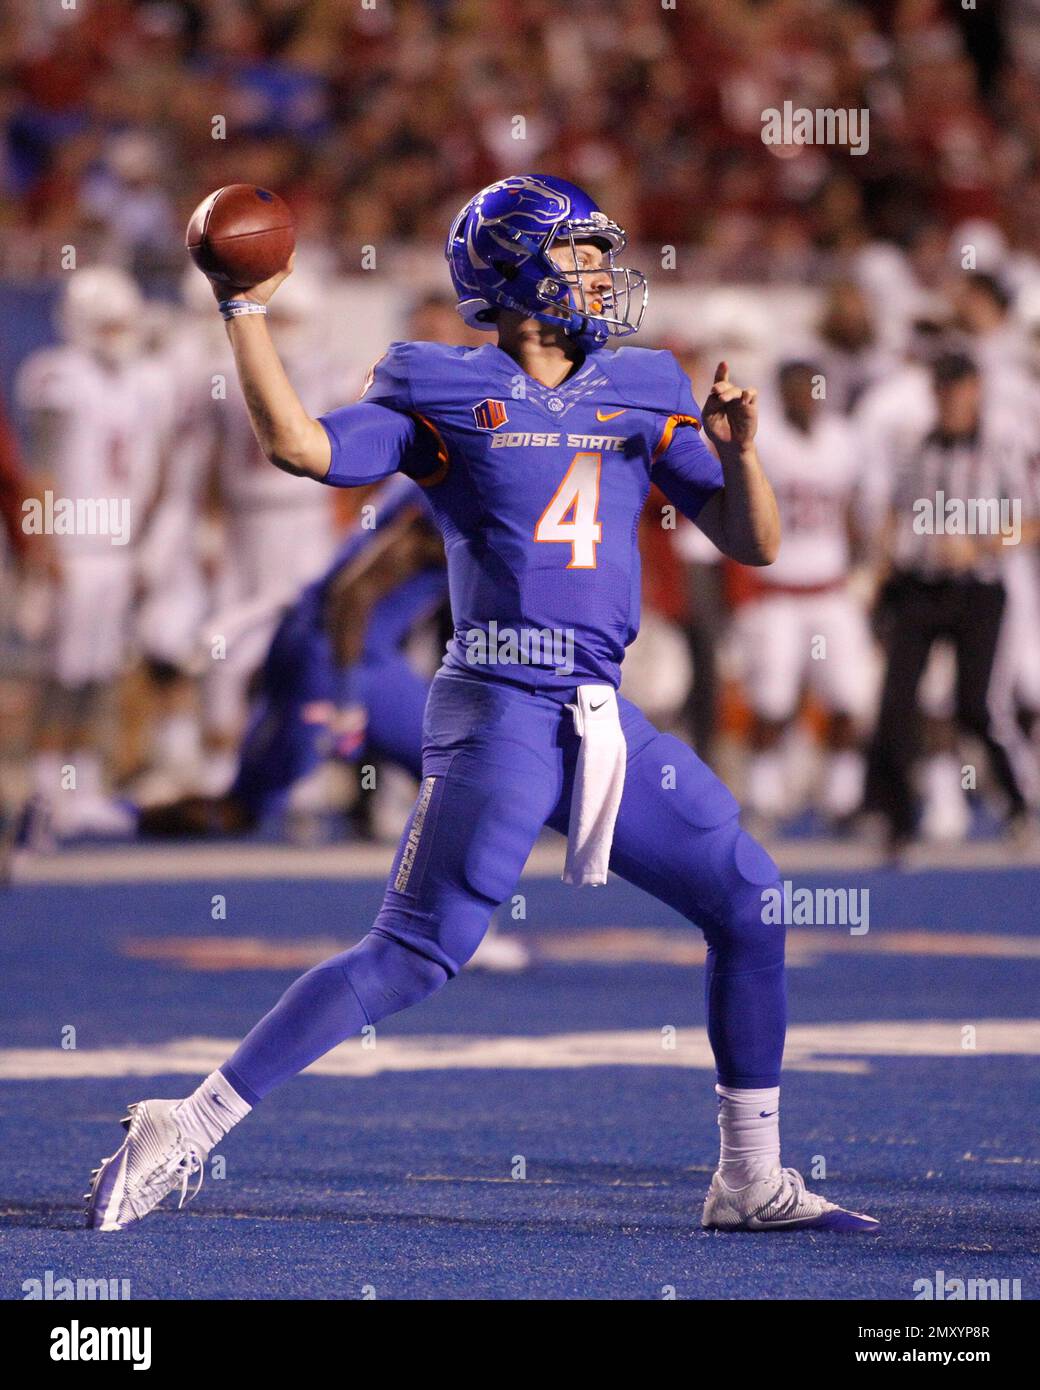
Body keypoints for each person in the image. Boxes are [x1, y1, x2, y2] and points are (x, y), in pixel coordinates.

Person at [86, 174, 877, 1234]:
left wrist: (739, 457)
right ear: (511, 272)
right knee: (412, 954)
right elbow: (304, 449)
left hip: (598, 712)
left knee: (750, 902)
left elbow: (754, 540)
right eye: (576, 253)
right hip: (499, 703)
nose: (600, 272)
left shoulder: (645, 382)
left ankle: (749, 1178)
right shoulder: (438, 384)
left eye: (601, 251)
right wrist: (244, 310)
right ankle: (183, 1122)